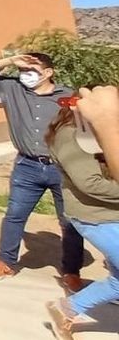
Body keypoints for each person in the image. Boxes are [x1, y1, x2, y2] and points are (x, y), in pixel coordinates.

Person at [0, 53, 85, 287]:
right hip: (27, 166)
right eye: (24, 69)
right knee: (15, 215)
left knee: (69, 220)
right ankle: (5, 262)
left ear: (48, 73)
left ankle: (71, 271)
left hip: (62, 168)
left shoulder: (67, 96)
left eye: (33, 68)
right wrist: (12, 61)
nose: (26, 73)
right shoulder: (12, 89)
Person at [44, 89, 119, 339]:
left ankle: (66, 308)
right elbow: (90, 183)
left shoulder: (100, 131)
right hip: (98, 217)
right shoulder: (71, 135)